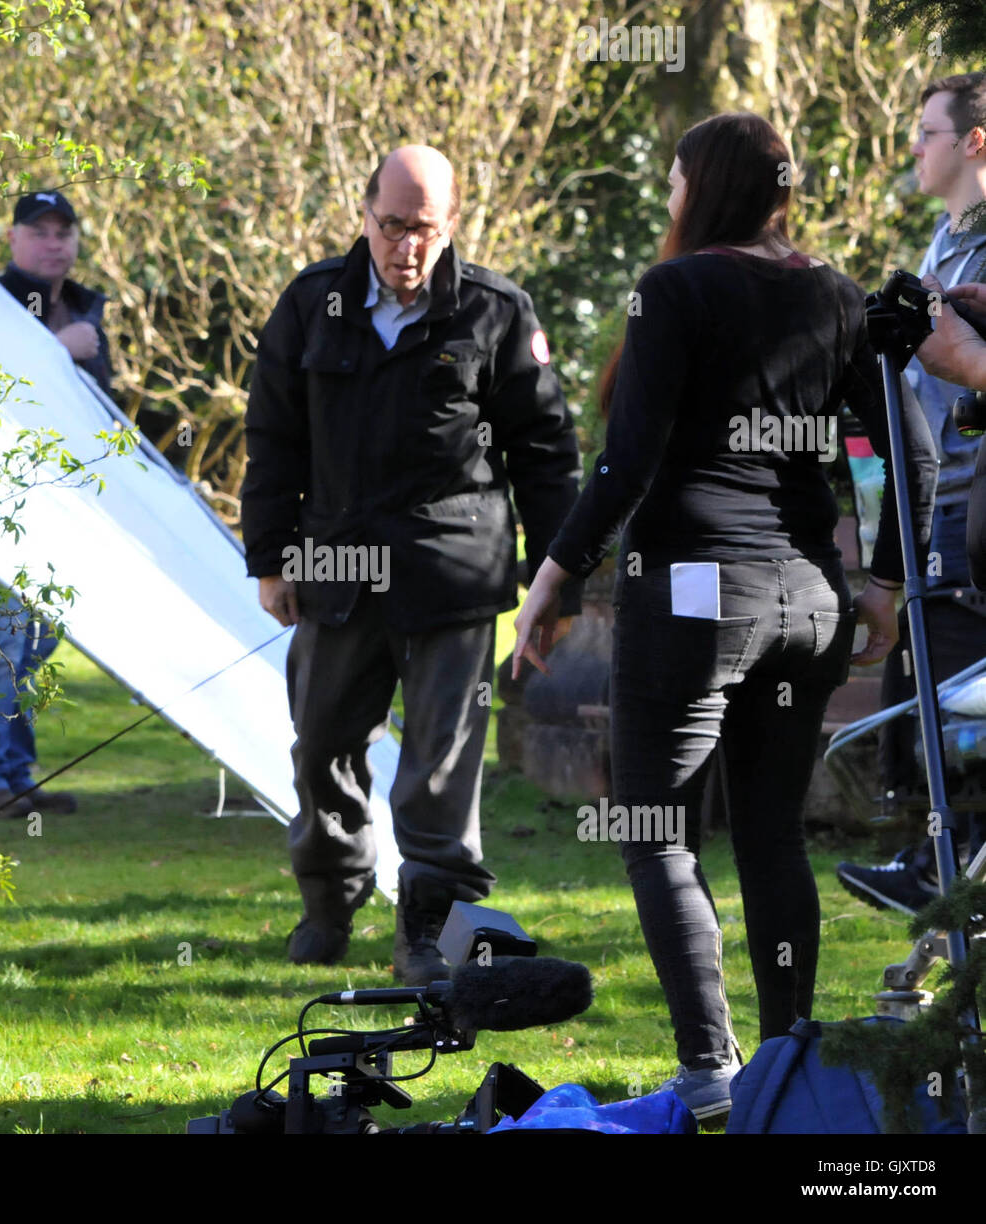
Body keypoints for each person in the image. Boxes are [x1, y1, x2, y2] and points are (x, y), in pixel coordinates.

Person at [513, 112, 937, 1122]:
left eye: (671, 184)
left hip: (697, 592)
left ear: (698, 190)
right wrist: (878, 583)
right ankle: (783, 1069)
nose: (665, 202)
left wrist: (553, 577)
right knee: (770, 837)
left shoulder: (674, 290)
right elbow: (894, 456)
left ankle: (710, 1074)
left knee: (658, 832)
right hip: (804, 599)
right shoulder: (837, 297)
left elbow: (628, 460)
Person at [242, 145, 583, 985]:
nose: (406, 248)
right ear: (364, 215)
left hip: (450, 577)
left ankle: (429, 931)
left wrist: (557, 577)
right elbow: (274, 439)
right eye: (391, 226)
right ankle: (330, 897)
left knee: (438, 771)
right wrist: (270, 559)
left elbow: (546, 454)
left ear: (452, 224)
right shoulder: (310, 304)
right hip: (334, 571)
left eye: (423, 229)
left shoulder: (496, 312)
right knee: (320, 749)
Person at [836, 72, 986, 914]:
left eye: (927, 131)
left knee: (957, 702)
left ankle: (949, 864)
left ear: (974, 141)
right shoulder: (943, 240)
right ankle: (929, 857)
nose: (914, 147)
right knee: (920, 695)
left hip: (970, 512)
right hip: (934, 508)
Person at [0, 188, 111, 820]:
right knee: (1, 639)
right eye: (39, 231)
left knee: (37, 642)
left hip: (68, 506)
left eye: (63, 232)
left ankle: (11, 775)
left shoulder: (86, 306)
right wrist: (55, 350)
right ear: (12, 238)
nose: (53, 242)